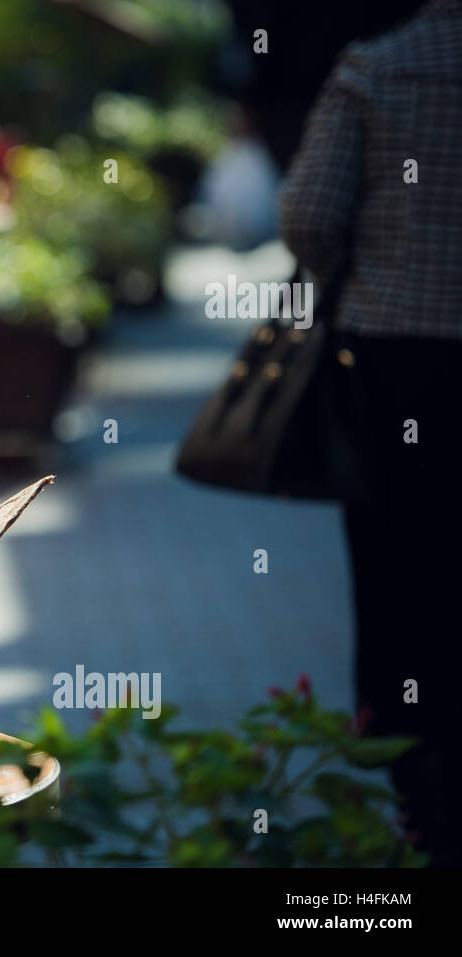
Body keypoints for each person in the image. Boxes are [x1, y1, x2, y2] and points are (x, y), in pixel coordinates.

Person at [277, 0, 462, 866]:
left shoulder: (379, 66)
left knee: (400, 575)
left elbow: (309, 215)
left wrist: (368, 261)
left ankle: (418, 790)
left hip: (395, 362)